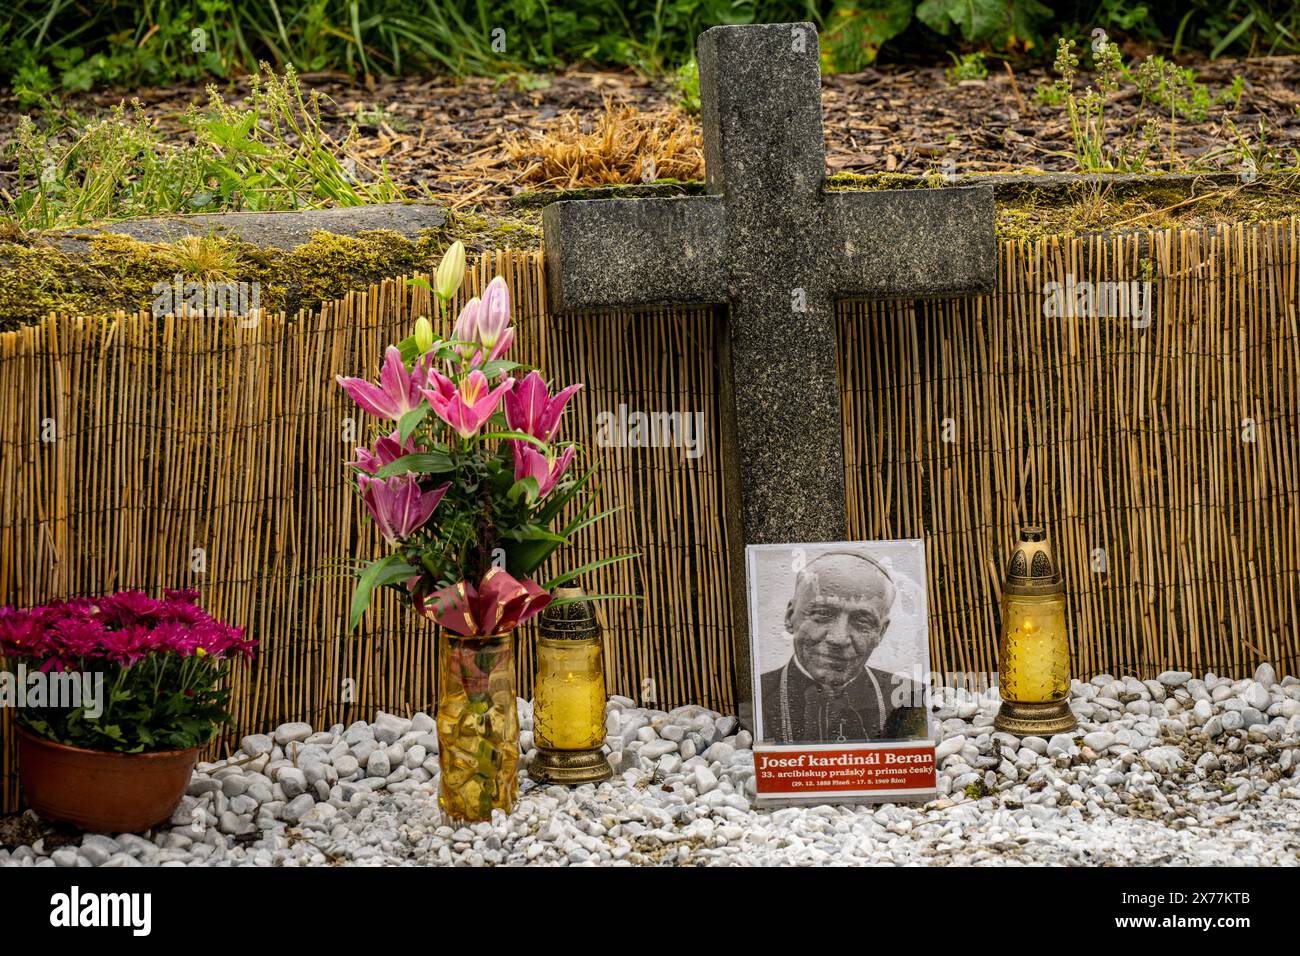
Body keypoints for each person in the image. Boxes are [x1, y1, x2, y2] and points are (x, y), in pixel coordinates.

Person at [760, 551, 926, 743]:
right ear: (790, 617)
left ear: (880, 632)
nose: (838, 639)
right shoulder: (757, 696)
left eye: (862, 621)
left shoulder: (910, 699)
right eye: (823, 614)